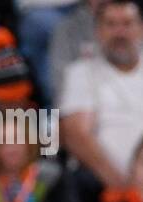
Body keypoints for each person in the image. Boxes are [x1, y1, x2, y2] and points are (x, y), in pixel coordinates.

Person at [60, 0, 143, 188]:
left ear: (141, 29)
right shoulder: (81, 73)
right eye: (111, 24)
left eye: (127, 24)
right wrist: (126, 189)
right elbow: (77, 135)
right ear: (98, 31)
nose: (120, 33)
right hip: (108, 190)